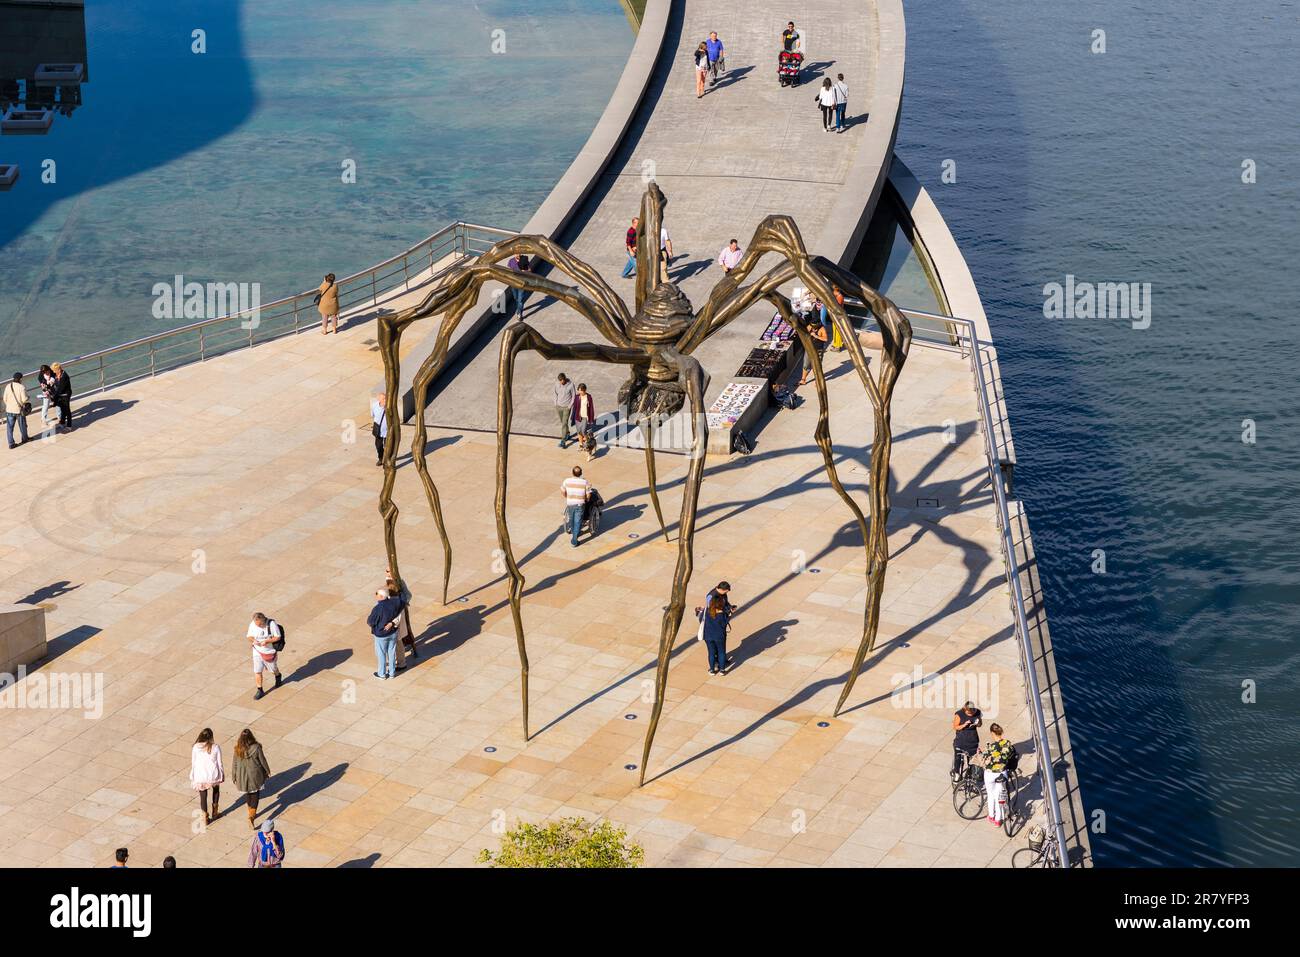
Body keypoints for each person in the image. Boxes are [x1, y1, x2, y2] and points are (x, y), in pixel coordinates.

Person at [232, 728, 271, 829]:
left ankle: (250, 812)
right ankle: (251, 816)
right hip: (255, 775)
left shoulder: (237, 748)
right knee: (255, 794)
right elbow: (263, 760)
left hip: (242, 775)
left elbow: (234, 763)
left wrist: (234, 775)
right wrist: (267, 770)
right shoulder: (257, 747)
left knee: (248, 793)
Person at [980, 723, 1018, 827]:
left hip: (990, 774)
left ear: (992, 733)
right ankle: (998, 820)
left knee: (990, 795)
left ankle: (991, 816)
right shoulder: (1008, 744)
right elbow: (1011, 756)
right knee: (999, 796)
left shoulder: (991, 747)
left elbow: (984, 761)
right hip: (1002, 773)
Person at [190, 728, 225, 826]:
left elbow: (193, 763)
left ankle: (204, 817)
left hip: (200, 775)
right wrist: (221, 774)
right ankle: (215, 812)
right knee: (216, 789)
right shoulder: (216, 747)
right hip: (213, 775)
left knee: (203, 795)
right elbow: (219, 763)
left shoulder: (196, 747)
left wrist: (193, 775)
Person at [367, 586, 404, 679]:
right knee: (391, 653)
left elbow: (370, 621)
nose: (376, 595)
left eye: (377, 594)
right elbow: (404, 599)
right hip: (393, 633)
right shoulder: (395, 602)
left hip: (381, 635)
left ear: (381, 596)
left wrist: (376, 627)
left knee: (381, 654)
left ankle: (382, 674)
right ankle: (392, 673)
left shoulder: (378, 608)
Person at [247, 612, 282, 700]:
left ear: (263, 620)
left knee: (273, 670)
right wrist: (254, 640)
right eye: (256, 624)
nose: (257, 626)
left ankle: (278, 675)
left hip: (269, 651)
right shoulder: (253, 624)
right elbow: (249, 636)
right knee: (257, 671)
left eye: (259, 624)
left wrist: (267, 641)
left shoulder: (271, 624)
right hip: (257, 651)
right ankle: (260, 690)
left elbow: (278, 637)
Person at [386, 566, 417, 662]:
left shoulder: (400, 581)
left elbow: (408, 595)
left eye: (389, 571)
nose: (387, 573)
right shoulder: (387, 580)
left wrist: (401, 604)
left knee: (404, 631)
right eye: (386, 571)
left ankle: (410, 647)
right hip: (391, 610)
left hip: (400, 610)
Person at [697, 592, 731, 675]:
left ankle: (712, 670)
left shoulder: (706, 612)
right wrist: (729, 615)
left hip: (708, 635)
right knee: (721, 652)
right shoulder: (722, 614)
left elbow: (700, 619)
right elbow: (723, 624)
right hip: (719, 636)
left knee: (711, 652)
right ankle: (722, 670)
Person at [561, 465, 591, 548]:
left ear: (572, 473)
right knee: (578, 521)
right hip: (580, 504)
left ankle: (574, 531)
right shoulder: (585, 482)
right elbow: (588, 495)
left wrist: (567, 496)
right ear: (581, 473)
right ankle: (574, 540)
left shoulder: (566, 481)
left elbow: (563, 491)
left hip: (570, 503)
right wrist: (586, 500)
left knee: (572, 519)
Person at [951, 700, 983, 780]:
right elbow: (955, 727)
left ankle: (971, 774)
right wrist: (964, 725)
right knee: (958, 757)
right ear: (965, 710)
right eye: (969, 713)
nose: (971, 714)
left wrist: (977, 723)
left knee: (972, 760)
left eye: (972, 713)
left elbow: (980, 724)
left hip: (972, 740)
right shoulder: (959, 714)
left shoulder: (978, 712)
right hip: (961, 739)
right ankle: (957, 773)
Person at [797, 315, 829, 385]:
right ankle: (803, 379)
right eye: (812, 326)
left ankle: (818, 381)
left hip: (818, 350)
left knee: (817, 366)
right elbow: (804, 331)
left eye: (815, 327)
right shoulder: (810, 326)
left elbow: (826, 339)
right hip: (809, 348)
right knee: (806, 365)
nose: (813, 328)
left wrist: (816, 336)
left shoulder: (822, 329)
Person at [3, 372, 30, 449]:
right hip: (18, 410)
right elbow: (24, 399)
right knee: (22, 426)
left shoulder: (8, 386)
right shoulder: (21, 387)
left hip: (9, 410)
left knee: (10, 428)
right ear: (20, 379)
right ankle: (25, 439)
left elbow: (5, 399)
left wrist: (9, 405)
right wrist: (28, 397)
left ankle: (11, 444)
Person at [573, 383, 597, 461]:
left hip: (585, 417)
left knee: (583, 431)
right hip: (577, 417)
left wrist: (591, 418)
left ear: (584, 390)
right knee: (579, 431)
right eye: (578, 390)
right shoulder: (577, 397)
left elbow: (591, 408)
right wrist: (572, 417)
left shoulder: (589, 397)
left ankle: (587, 443)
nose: (579, 392)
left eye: (580, 391)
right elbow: (575, 407)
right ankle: (581, 445)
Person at [554, 373, 576, 448]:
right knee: (563, 422)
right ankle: (567, 433)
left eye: (562, 380)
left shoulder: (571, 385)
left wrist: (570, 406)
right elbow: (555, 393)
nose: (561, 382)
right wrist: (555, 403)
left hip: (567, 407)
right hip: (559, 407)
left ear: (565, 379)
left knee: (564, 423)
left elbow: (573, 395)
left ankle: (563, 441)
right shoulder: (557, 384)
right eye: (560, 381)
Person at [50, 362, 72, 431]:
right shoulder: (56, 375)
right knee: (63, 409)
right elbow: (56, 387)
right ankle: (62, 423)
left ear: (58, 369)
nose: (53, 372)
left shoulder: (64, 376)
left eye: (54, 370)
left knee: (67, 410)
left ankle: (69, 426)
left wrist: (54, 399)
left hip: (65, 395)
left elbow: (60, 389)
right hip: (60, 395)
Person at [507, 253, 529, 318]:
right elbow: (508, 271)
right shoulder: (511, 261)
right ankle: (519, 308)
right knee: (516, 298)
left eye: (519, 253)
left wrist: (525, 271)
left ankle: (519, 313)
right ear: (514, 254)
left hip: (522, 283)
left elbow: (529, 270)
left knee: (520, 299)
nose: (518, 255)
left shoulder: (524, 260)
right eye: (516, 254)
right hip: (513, 283)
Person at [370, 392, 387, 467]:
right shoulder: (374, 406)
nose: (385, 400)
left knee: (387, 447)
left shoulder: (389, 407)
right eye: (383, 398)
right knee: (378, 446)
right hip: (378, 430)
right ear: (379, 400)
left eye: (385, 398)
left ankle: (386, 461)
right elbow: (373, 415)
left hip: (387, 431)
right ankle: (381, 458)